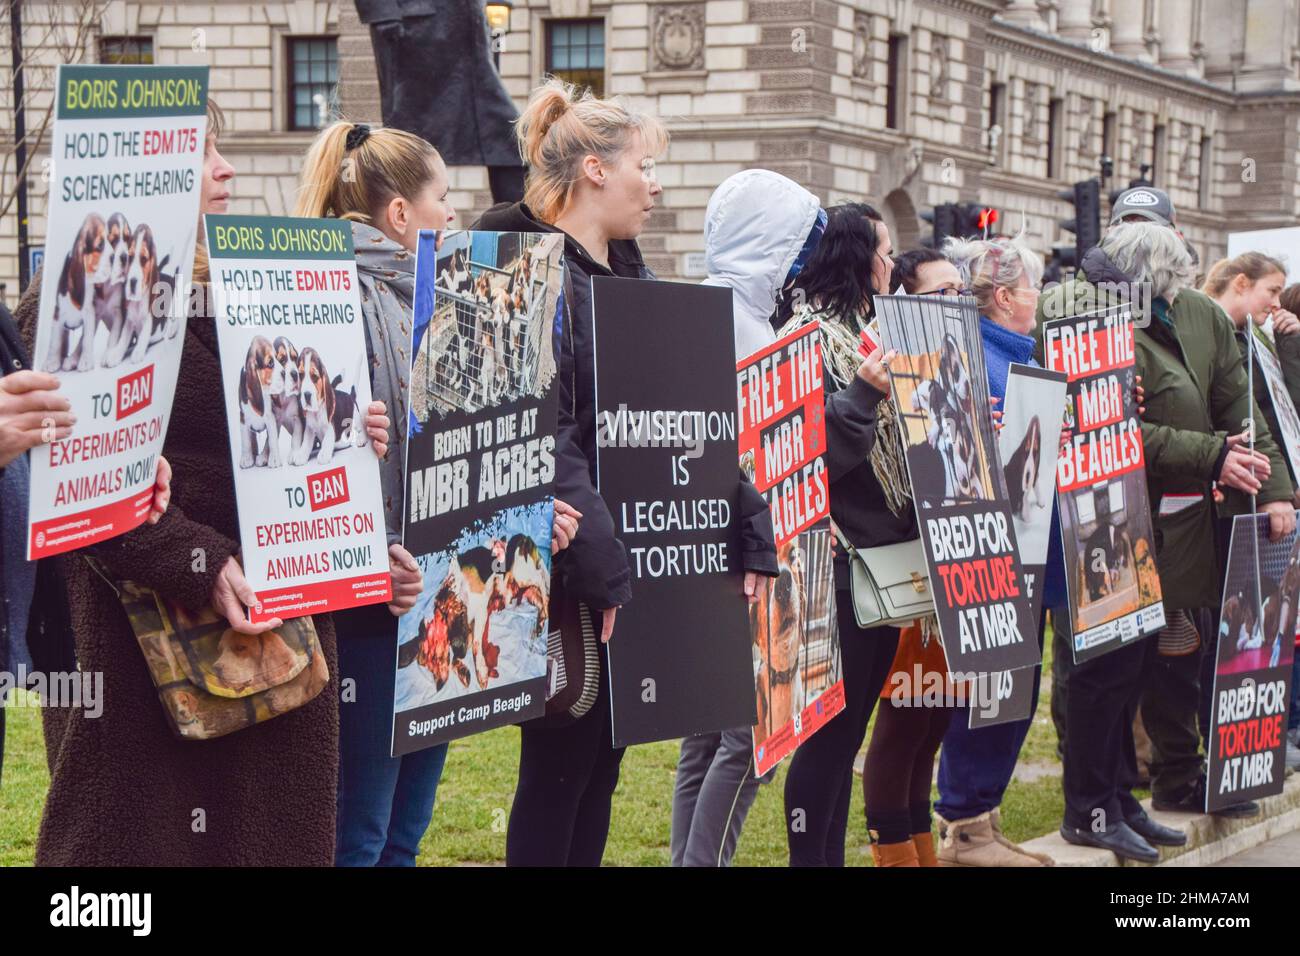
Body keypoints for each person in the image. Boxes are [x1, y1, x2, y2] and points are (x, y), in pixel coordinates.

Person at [474, 80, 767, 866]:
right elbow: (544, 427)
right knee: (560, 770)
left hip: (633, 569)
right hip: (575, 567)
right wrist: (601, 564)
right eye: (646, 165)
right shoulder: (527, 275)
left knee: (604, 771)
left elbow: (688, 420)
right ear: (596, 171)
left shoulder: (631, 278)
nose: (658, 183)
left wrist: (746, 522)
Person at [1036, 221, 1294, 862]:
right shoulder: (1085, 317)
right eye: (1170, 277)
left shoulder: (1195, 315)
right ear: (1145, 275)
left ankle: (1119, 798)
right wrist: (1212, 455)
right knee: (1103, 674)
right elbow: (1108, 432)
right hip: (1108, 522)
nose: (1180, 289)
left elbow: (1243, 405)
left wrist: (1274, 485)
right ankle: (1092, 807)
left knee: (1143, 665)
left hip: (1171, 525)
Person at [293, 119, 460, 866]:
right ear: (401, 216)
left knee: (403, 832)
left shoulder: (433, 296)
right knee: (357, 832)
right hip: (369, 610)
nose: (452, 216)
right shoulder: (329, 298)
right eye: (443, 199)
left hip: (435, 597)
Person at [668, 168, 818, 867]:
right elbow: (730, 452)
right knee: (748, 736)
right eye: (799, 251)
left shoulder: (734, 313)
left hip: (726, 554)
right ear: (774, 247)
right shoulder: (735, 322)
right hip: (742, 560)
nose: (806, 268)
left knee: (708, 738)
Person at [773, 202, 903, 866]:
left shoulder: (868, 330)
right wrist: (865, 394)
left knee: (849, 734)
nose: (892, 264)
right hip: (835, 564)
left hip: (881, 561)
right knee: (827, 737)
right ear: (858, 257)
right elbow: (809, 455)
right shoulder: (809, 336)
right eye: (885, 252)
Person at [354, 0, 526, 203]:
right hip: (416, 33)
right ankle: (406, 222)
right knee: (409, 148)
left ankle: (511, 222)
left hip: (470, 37)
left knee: (512, 144)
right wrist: (381, 12)